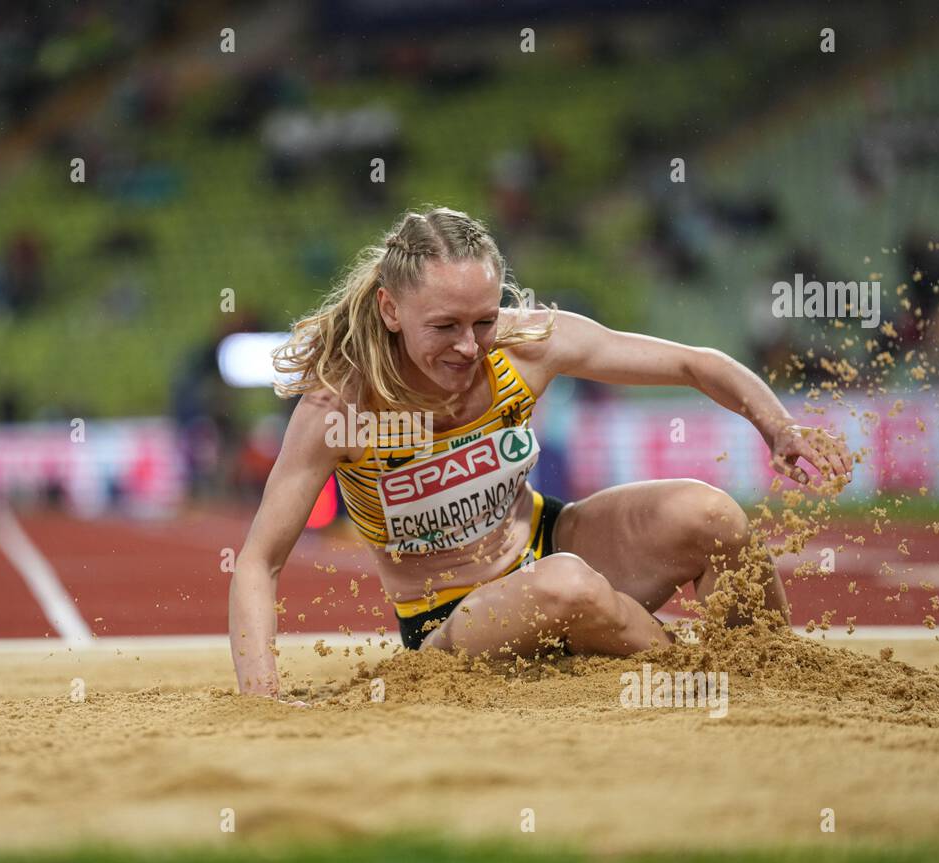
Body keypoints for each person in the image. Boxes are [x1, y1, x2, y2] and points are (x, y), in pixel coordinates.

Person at [228, 207, 852, 703]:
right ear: (391, 310)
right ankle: (702, 675)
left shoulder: (527, 346)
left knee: (709, 514)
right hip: (450, 618)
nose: (469, 348)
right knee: (566, 585)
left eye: (483, 321)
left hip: (550, 539)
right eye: (444, 327)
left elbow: (694, 363)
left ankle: (774, 673)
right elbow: (259, 560)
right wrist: (263, 700)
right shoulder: (342, 406)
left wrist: (780, 427)